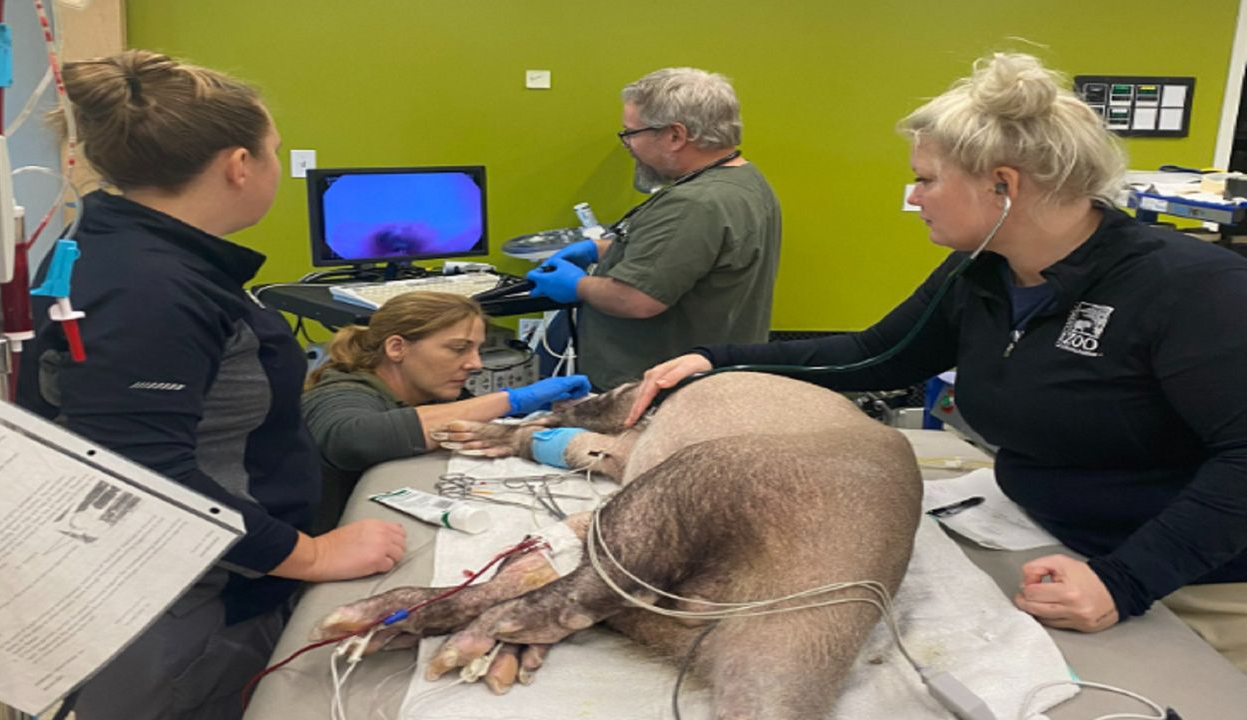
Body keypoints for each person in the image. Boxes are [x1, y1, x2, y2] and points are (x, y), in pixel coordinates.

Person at [626, 52, 1247, 672]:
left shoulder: (1191, 288)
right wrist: (717, 360)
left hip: (1189, 578)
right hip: (1051, 535)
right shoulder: (982, 271)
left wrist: (1124, 581)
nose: (914, 195)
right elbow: (877, 355)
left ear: (1002, 185)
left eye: (926, 179)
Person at [16, 50, 407, 719]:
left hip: (194, 582)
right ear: (238, 164)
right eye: (274, 151)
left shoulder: (131, 251)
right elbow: (139, 474)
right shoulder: (150, 287)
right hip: (185, 605)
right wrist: (308, 555)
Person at [526, 67, 782, 390]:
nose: (628, 145)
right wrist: (600, 249)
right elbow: (693, 255)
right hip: (711, 379)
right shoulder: (746, 182)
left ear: (675, 136)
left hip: (658, 390)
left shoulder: (694, 203)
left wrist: (577, 286)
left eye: (631, 133)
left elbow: (637, 298)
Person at [301, 291, 591, 530]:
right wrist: (510, 400)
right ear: (396, 348)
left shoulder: (434, 394)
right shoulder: (339, 391)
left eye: (477, 349)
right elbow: (354, 440)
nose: (475, 364)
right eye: (458, 349)